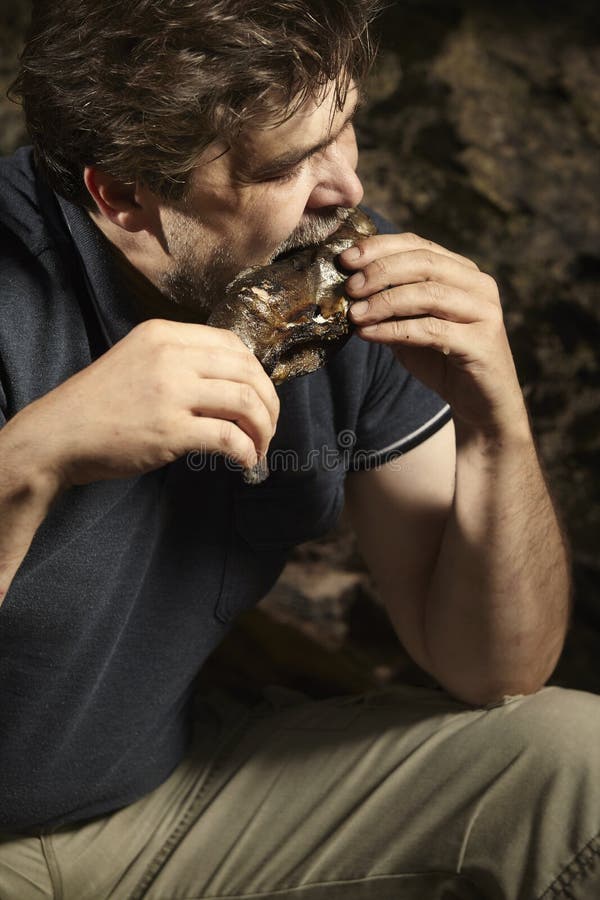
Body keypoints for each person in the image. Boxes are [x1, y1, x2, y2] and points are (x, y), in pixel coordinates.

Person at [0, 0, 598, 897]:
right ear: (123, 195)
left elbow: (492, 666)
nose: (346, 189)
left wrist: (495, 425)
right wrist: (32, 461)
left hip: (168, 802)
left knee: (574, 760)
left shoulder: (334, 271)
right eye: (287, 166)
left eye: (344, 129)